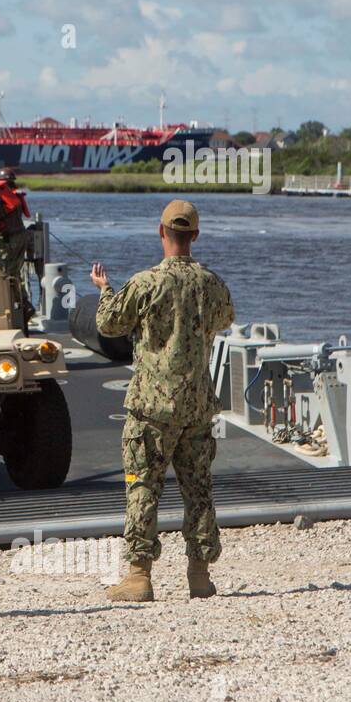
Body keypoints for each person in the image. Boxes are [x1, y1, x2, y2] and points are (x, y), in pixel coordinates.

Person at [91, 199, 235, 602]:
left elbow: (109, 323)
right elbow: (225, 318)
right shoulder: (213, 283)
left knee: (142, 486)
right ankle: (200, 576)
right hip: (197, 406)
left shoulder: (146, 282)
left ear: (161, 232)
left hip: (152, 408)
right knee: (199, 489)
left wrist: (105, 291)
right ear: (195, 236)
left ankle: (138, 576)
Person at [0, 167, 32, 313]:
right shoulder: (14, 196)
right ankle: (24, 304)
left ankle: (9, 306)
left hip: (8, 240)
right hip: (21, 237)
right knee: (15, 273)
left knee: (3, 274)